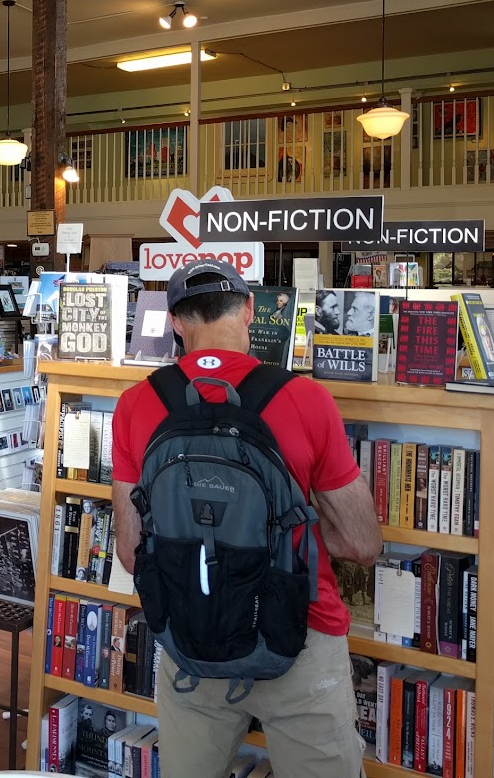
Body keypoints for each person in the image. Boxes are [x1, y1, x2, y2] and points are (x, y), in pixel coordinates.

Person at [111, 260, 382, 778]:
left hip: (190, 638)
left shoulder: (137, 403)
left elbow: (130, 549)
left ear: (175, 322)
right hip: (298, 634)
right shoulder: (305, 398)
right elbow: (361, 542)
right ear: (250, 312)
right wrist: (286, 530)